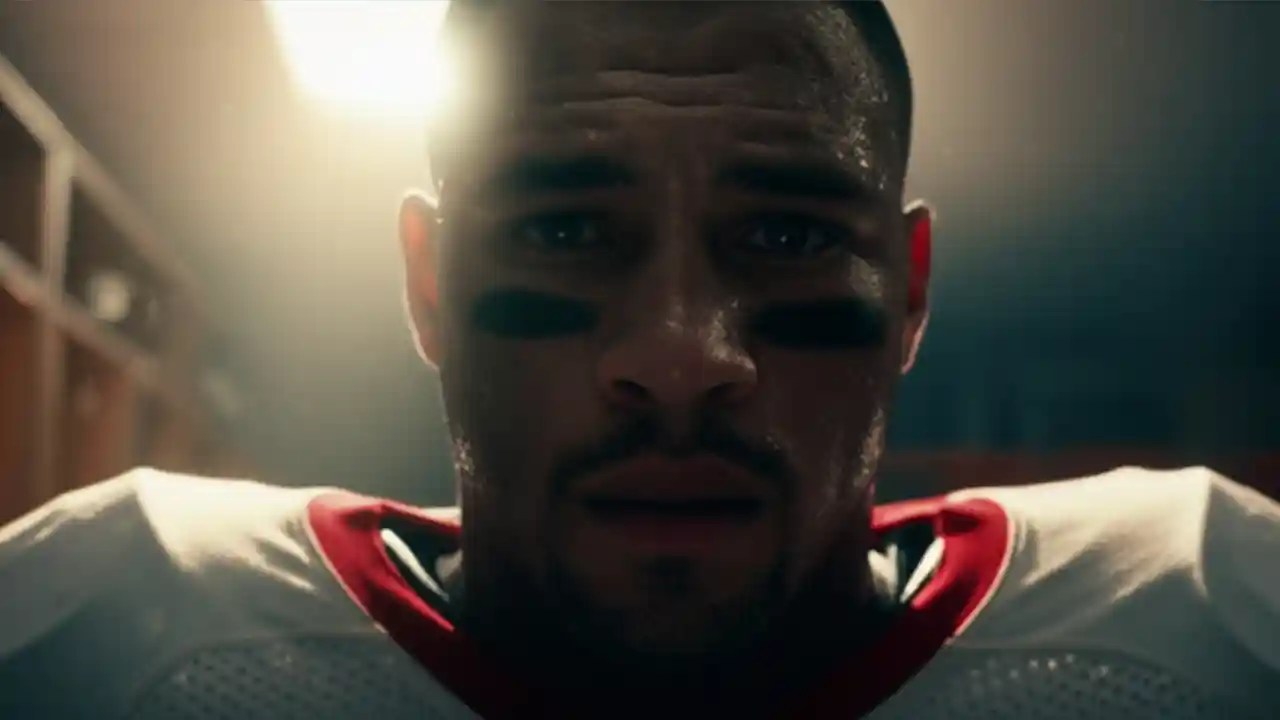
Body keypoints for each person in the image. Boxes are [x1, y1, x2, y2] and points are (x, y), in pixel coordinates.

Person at [2, 2, 1278, 718]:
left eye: (787, 235)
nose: (679, 357)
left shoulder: (1217, 614)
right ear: (430, 284)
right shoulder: (103, 623)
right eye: (564, 232)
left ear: (906, 292)